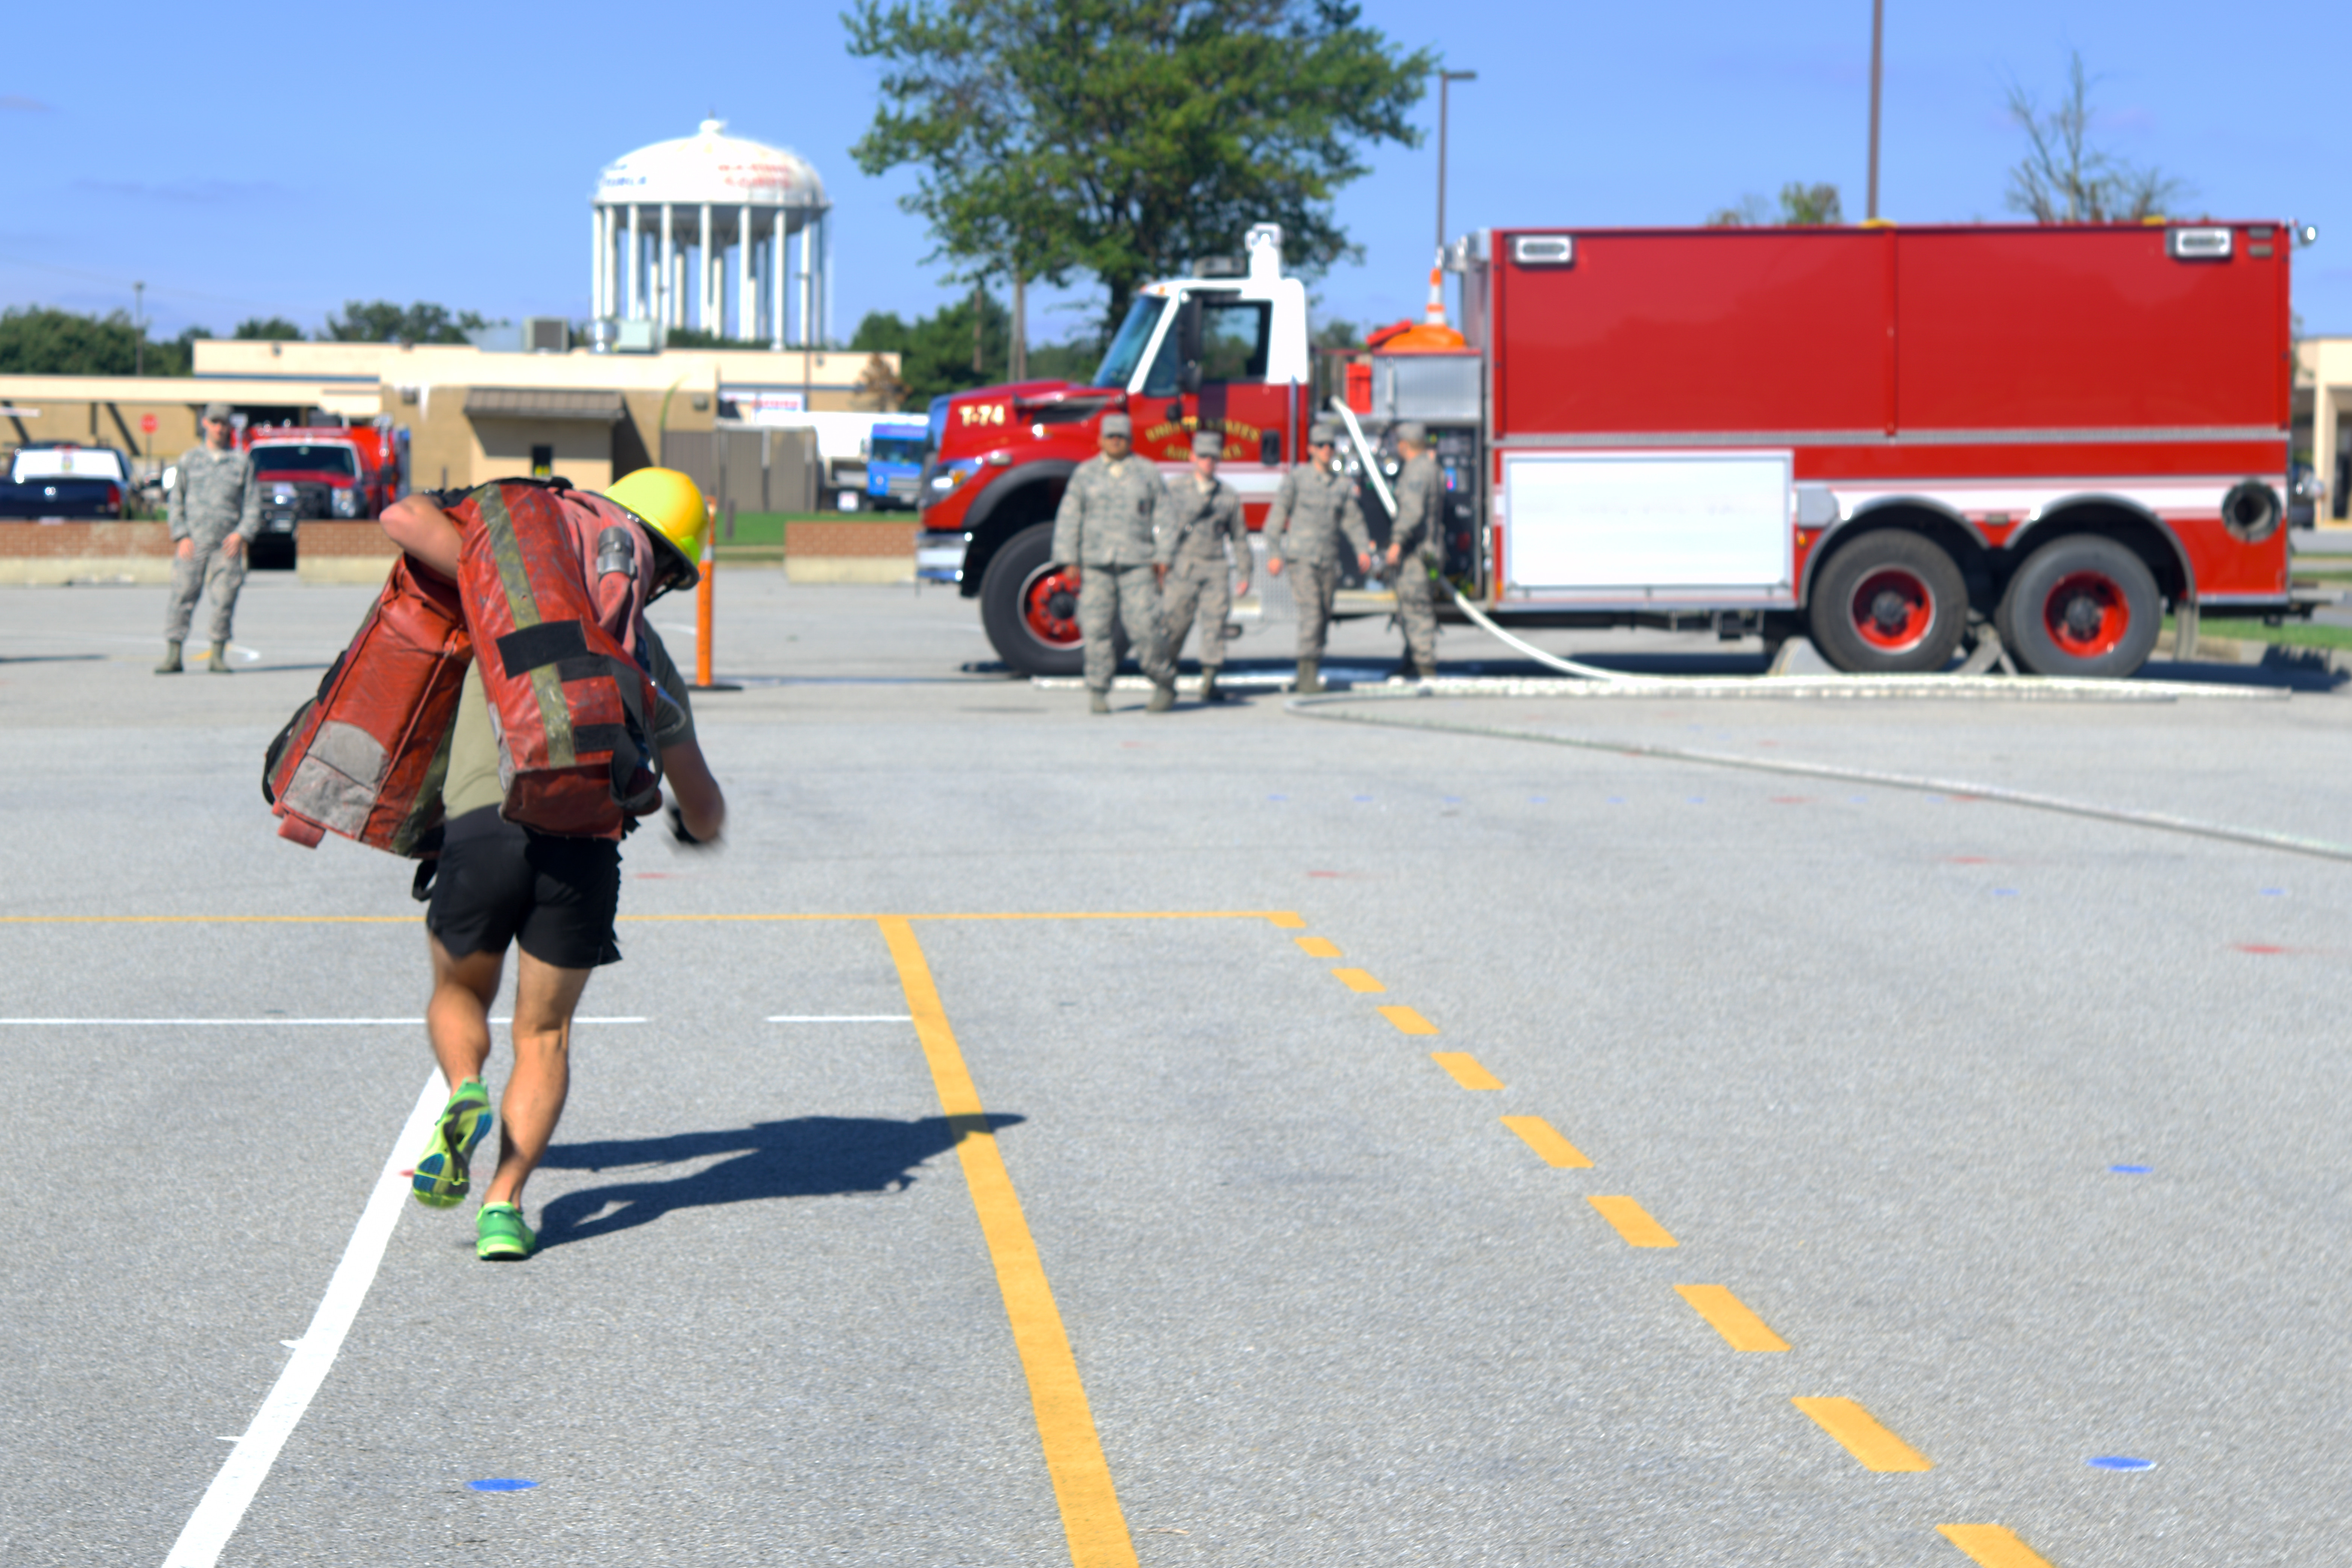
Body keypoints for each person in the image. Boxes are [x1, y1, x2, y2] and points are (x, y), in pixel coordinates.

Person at [377, 468, 728, 1262]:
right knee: (545, 1034)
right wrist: (692, 828)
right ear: (658, 568)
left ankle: (464, 1086)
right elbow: (704, 805)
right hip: (584, 850)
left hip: (483, 831)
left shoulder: (503, 590)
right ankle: (503, 1205)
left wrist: (483, 500)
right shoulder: (650, 654)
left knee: (460, 991)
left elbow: (400, 517)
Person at [1050, 412, 1176, 713]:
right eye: (1110, 436)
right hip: (1096, 563)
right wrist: (1068, 557)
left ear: (1130, 440)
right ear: (1101, 439)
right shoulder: (1085, 474)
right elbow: (1070, 516)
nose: (1116, 441)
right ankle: (1098, 689)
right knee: (1095, 629)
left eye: (1121, 436)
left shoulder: (1147, 472)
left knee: (1146, 628)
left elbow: (1165, 515)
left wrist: (1164, 555)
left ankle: (1164, 682)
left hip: (1137, 562)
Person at [1262, 420, 1373, 695]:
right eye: (1322, 446)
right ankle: (1307, 676)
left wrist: (1362, 549)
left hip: (1327, 560)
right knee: (1311, 614)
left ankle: (1312, 665)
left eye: (1331, 446)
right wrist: (1274, 553)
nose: (1327, 450)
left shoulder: (1340, 486)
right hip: (1302, 558)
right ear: (1311, 449)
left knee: (1323, 616)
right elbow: (1275, 519)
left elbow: (1353, 521)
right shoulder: (1297, 480)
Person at [158, 403, 259, 674]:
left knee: (225, 600)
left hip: (226, 546)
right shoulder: (190, 460)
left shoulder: (241, 462)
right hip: (194, 542)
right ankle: (174, 654)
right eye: (214, 422)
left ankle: (217, 655)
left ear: (230, 427)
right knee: (182, 595)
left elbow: (252, 505)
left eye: (224, 423)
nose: (219, 428)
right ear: (205, 423)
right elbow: (175, 501)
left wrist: (241, 534)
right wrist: (180, 535)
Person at [1154, 429, 1251, 703]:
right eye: (1203, 456)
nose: (1208, 462)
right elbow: (1159, 527)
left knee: (1214, 627)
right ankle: (1166, 679)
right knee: (1174, 625)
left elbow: (1239, 537)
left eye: (1213, 457)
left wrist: (1245, 573)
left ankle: (1209, 682)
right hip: (1182, 567)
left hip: (1215, 568)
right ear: (1193, 457)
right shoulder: (1174, 490)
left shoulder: (1227, 496)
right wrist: (1158, 563)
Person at [1385, 421, 1443, 683]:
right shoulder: (1431, 468)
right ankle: (1412, 662)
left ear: (1403, 445)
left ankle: (1425, 670)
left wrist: (1397, 542)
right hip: (1429, 553)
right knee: (1411, 608)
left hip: (1416, 555)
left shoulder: (1415, 471)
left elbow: (1412, 512)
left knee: (1416, 609)